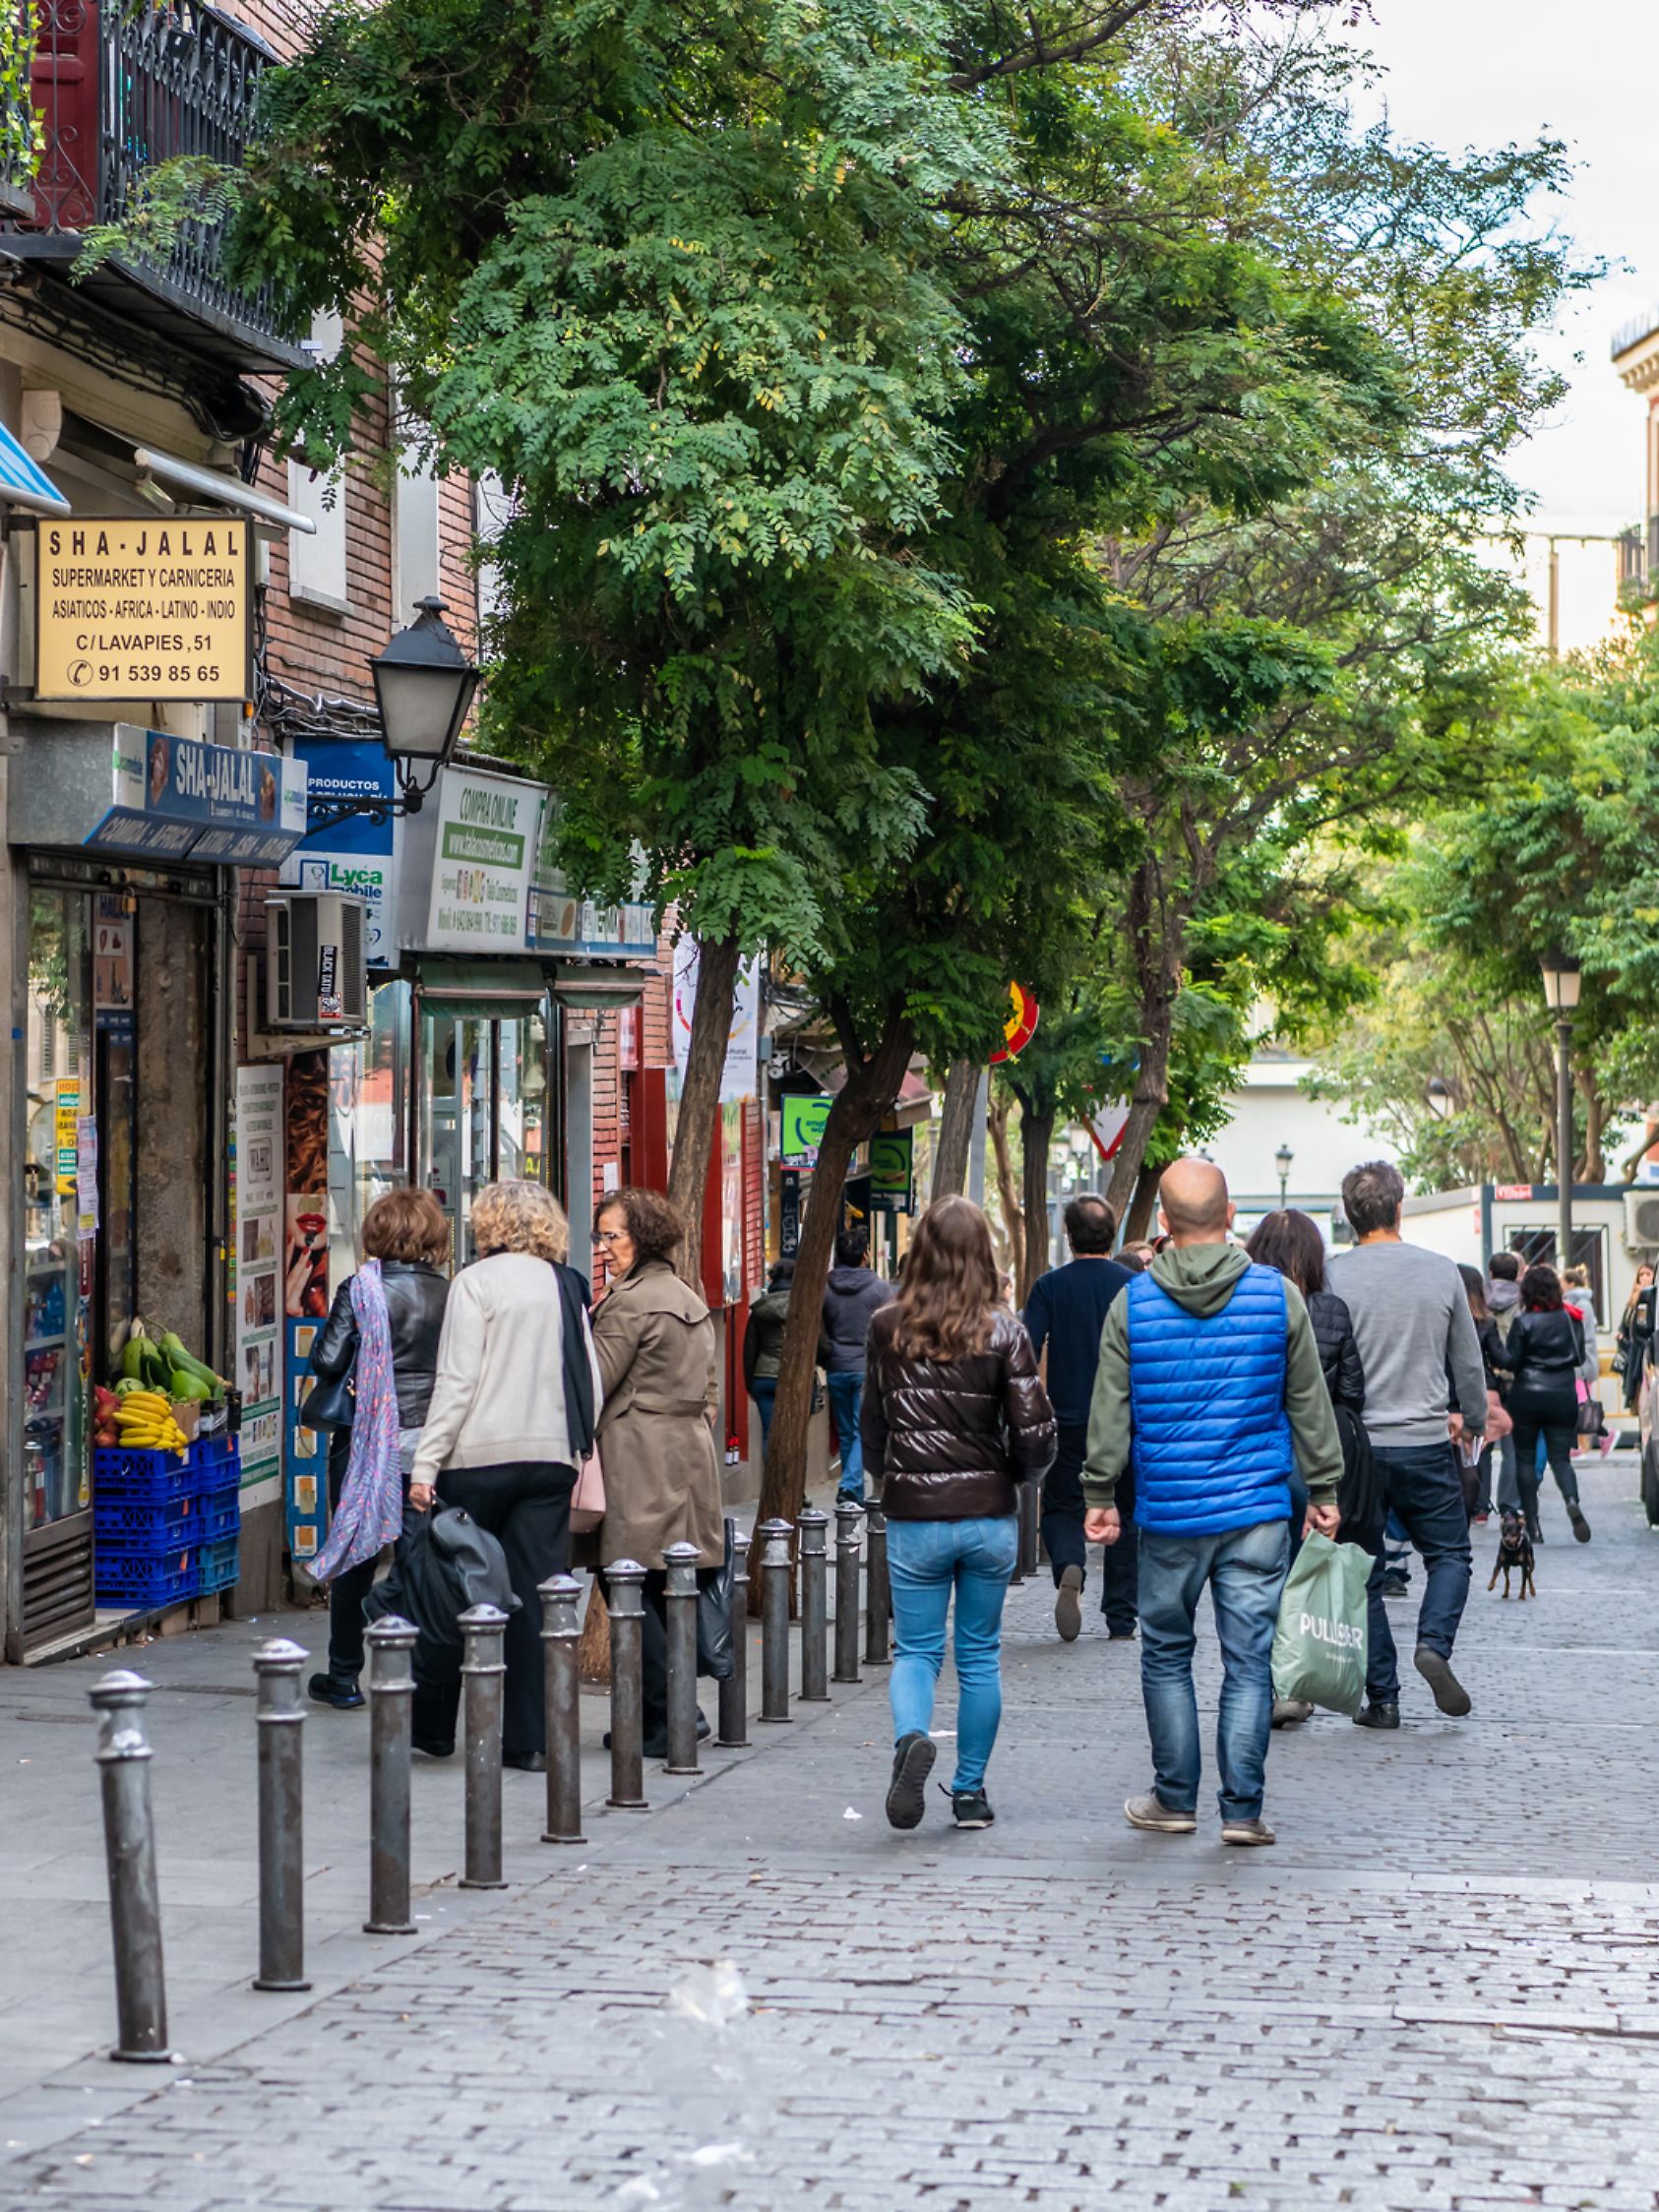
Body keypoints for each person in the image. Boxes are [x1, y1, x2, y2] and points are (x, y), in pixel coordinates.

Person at [1082, 1161, 1344, 1847]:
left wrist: (1100, 1493)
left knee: (1166, 1654)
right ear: (1231, 1214)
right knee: (1250, 1663)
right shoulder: (1277, 1296)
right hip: (1257, 1511)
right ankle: (1242, 1811)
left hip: (1170, 1512)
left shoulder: (1131, 1304)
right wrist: (1323, 1489)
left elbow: (1108, 1409)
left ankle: (1174, 1798)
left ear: (1164, 1223)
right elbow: (1309, 1405)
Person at [862, 1196, 1055, 1832]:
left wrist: (885, 1474)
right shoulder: (1006, 1331)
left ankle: (912, 1738)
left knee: (916, 1650)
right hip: (986, 1514)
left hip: (914, 1512)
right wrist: (1018, 1479)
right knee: (979, 1655)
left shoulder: (886, 1325)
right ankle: (969, 1793)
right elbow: (1033, 1435)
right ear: (983, 1257)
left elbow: (872, 1420)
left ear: (919, 1252)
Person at [409, 1180, 598, 1770]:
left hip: (477, 1460)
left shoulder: (475, 1283)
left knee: (451, 1591)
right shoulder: (567, 1285)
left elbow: (457, 1382)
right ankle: (529, 1740)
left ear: (488, 1224)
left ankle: (435, 1726)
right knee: (537, 1601)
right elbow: (587, 1376)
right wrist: (579, 1447)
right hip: (548, 1461)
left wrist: (425, 1463)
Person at [1328, 1161, 1487, 1730]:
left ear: (1350, 1217)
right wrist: (1471, 1418)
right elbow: (1468, 1362)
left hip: (1357, 1449)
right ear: (1400, 1209)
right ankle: (1434, 1644)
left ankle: (1384, 1699)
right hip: (1424, 1439)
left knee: (1363, 1571)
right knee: (1450, 1554)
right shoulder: (1441, 1273)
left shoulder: (1332, 1276)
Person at [588, 1187, 726, 1760]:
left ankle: (674, 1711)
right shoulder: (688, 1297)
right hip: (687, 1460)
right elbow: (711, 1392)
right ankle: (655, 1719)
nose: (603, 1249)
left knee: (622, 1582)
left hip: (637, 1462)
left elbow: (593, 1380)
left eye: (612, 1236)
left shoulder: (630, 1302)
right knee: (654, 1586)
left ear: (641, 1238)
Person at [306, 1189, 452, 1712]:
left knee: (355, 1554)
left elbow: (326, 1360)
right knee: (418, 1556)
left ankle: (344, 1675)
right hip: (429, 1439)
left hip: (367, 1441)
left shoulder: (359, 1289)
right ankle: (413, 1671)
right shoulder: (449, 1293)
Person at [1244, 1206, 1366, 1728]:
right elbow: (1353, 1392)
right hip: (1311, 1455)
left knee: (1259, 1577)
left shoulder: (1245, 1304)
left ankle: (1264, 1685)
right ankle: (1294, 1681)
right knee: (1302, 1571)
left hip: (1258, 1451)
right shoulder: (1332, 1309)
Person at [1021, 1195, 1135, 1643]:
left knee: (1063, 1504)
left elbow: (1026, 1351)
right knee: (1126, 1511)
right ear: (1111, 1234)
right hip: (1124, 1419)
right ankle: (1121, 1617)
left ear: (1068, 1237)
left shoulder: (1049, 1287)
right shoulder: (1133, 1287)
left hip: (1067, 1416)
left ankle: (1071, 1563)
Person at [1496, 1262, 1592, 1545]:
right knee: (1560, 1458)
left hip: (1527, 1395)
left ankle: (1533, 1526)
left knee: (1525, 1458)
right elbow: (1579, 1358)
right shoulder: (1570, 1318)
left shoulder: (1523, 1321)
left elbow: (1512, 1361)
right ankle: (1571, 1500)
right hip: (1562, 1394)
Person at [820, 1225, 893, 1505]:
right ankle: (850, 1483)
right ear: (865, 1255)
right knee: (862, 1428)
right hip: (865, 1368)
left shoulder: (826, 1287)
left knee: (849, 1431)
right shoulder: (881, 1290)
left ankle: (853, 1490)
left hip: (836, 1367)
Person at [1456, 1263, 1510, 1523]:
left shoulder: (1448, 1319)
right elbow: (1501, 1357)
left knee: (1455, 1449)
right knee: (1481, 1449)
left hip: (1451, 1392)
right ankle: (1480, 1506)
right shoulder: (1486, 1322)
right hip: (1486, 1388)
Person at [742, 1257, 793, 1451]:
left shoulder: (760, 1309)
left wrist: (750, 1385)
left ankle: (771, 1481)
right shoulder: (803, 1306)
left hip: (763, 1377)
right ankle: (790, 1480)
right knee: (792, 1435)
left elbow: (750, 1349)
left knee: (769, 1434)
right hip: (793, 1377)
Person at [1487, 1252, 1524, 1515]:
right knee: (1513, 1446)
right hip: (1516, 1379)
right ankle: (1509, 1503)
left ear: (1490, 1273)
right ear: (1517, 1274)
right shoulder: (1524, 1301)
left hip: (1484, 1382)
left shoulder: (1478, 1300)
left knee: (1480, 1444)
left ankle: (1478, 1503)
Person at [1617, 1263, 1656, 1417]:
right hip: (1634, 1351)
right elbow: (1626, 1323)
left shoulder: (1651, 1297)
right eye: (1641, 1275)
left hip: (1647, 1350)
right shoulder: (1633, 1300)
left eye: (1648, 1274)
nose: (1645, 1278)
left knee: (1646, 1392)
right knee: (1638, 1393)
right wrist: (1621, 1333)